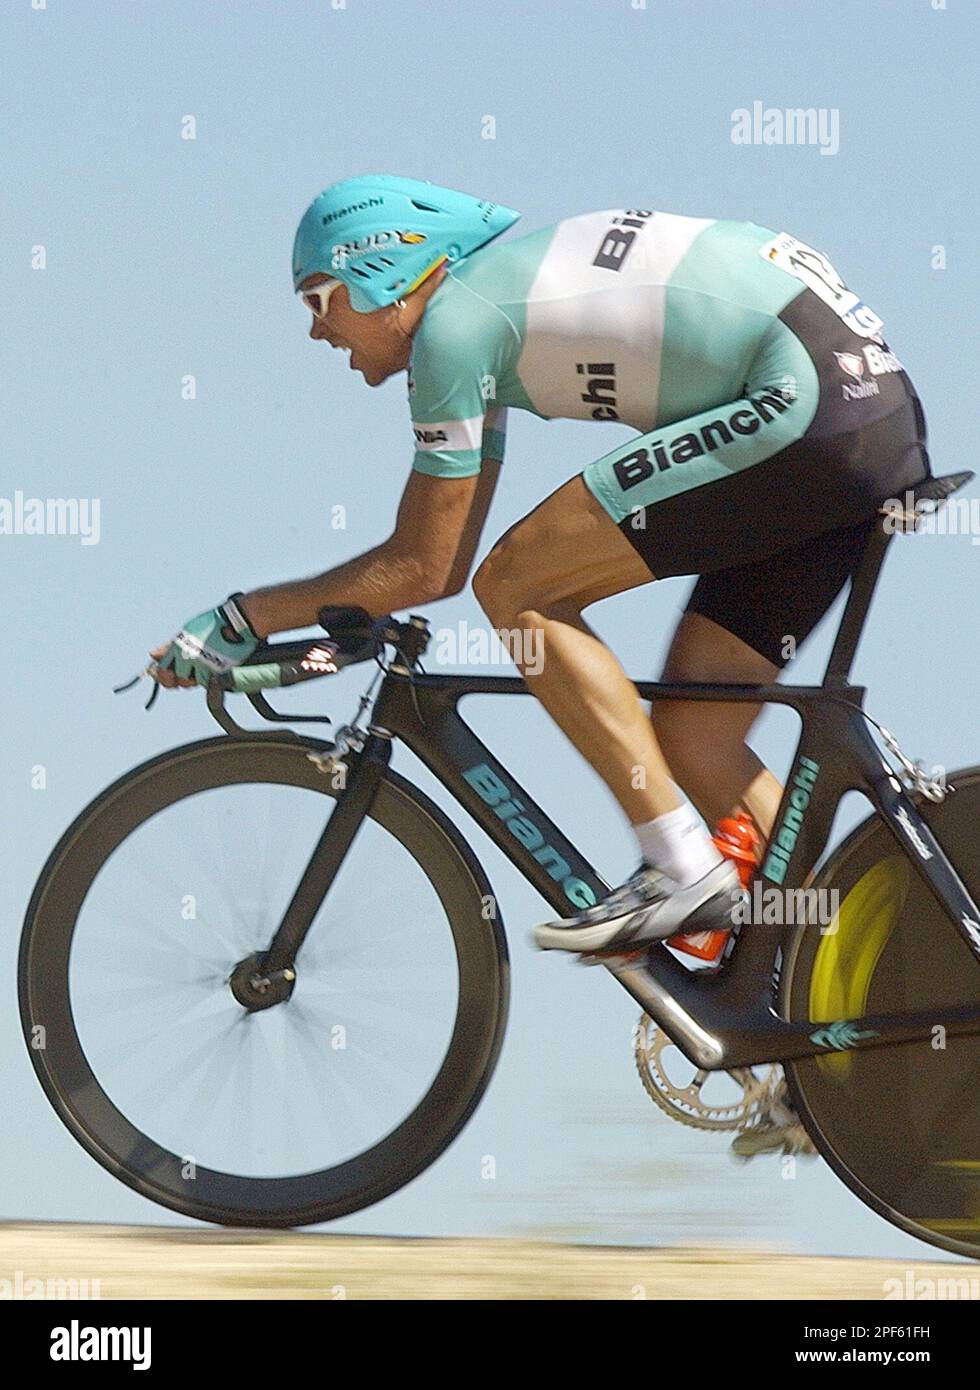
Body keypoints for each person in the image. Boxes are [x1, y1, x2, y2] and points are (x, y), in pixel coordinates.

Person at [151, 175, 929, 957]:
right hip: (865, 418)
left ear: (382, 270)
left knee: (518, 584)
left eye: (319, 300)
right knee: (696, 734)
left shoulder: (454, 329)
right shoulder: (482, 322)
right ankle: (838, 995)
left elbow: (426, 568)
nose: (317, 333)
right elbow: (438, 559)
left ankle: (681, 866)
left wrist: (242, 619)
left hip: (809, 405)